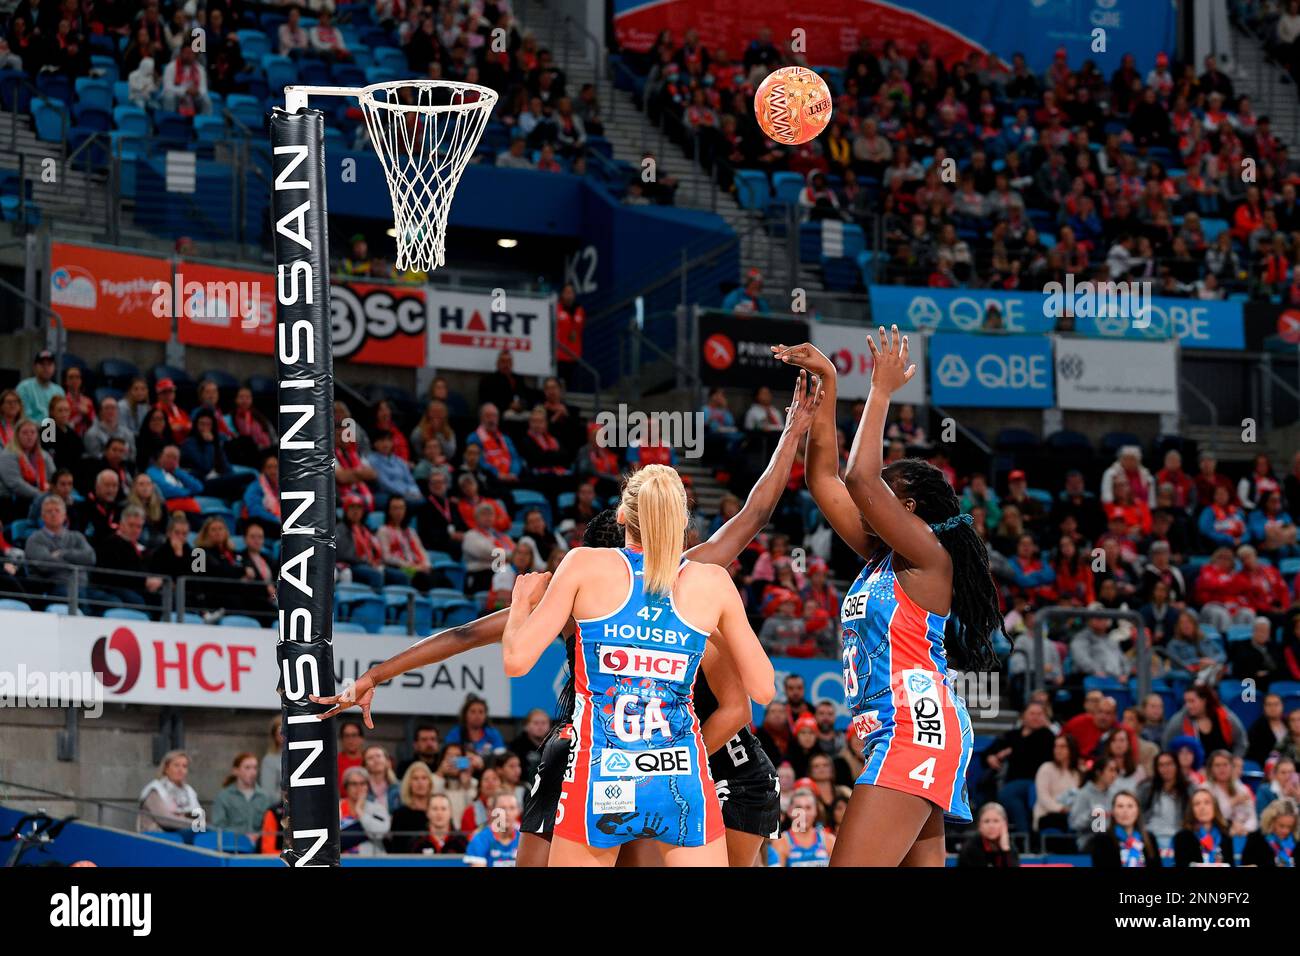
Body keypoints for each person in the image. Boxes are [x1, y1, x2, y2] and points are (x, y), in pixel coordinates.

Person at [313, 375, 820, 869]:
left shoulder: (590, 577)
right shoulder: (702, 579)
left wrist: (378, 673)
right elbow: (753, 523)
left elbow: (474, 639)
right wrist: (792, 434)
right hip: (672, 764)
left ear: (623, 522)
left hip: (637, 760)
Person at [776, 331, 999, 865]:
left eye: (885, 495)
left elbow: (858, 477)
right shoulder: (883, 556)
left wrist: (879, 391)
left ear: (910, 508)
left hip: (916, 727)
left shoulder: (928, 555)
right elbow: (823, 477)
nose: (866, 505)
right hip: (897, 729)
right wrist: (829, 382)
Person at [499, 464, 774, 866]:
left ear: (621, 515)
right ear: (681, 521)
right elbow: (764, 689)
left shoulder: (583, 565)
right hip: (680, 776)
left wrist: (520, 604)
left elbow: (515, 661)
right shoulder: (712, 582)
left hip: (600, 773)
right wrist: (708, 631)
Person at [983, 702, 1055, 833]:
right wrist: (991, 757)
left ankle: (1023, 834)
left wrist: (1011, 751)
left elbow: (1034, 756)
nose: (1036, 717)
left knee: (1008, 794)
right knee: (1009, 799)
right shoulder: (1013, 735)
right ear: (1023, 716)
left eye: (1039, 714)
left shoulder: (1047, 736)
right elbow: (989, 751)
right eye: (1032, 714)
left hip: (1035, 781)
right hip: (1008, 780)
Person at [1162, 685, 1247, 758]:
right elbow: (1166, 746)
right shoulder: (1179, 721)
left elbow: (1241, 742)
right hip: (1196, 769)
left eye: (1192, 701)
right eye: (1186, 702)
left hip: (1225, 766)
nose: (1188, 706)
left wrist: (1236, 759)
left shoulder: (1225, 716)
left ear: (1204, 701)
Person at [210, 753, 274, 841]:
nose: (252, 772)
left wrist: (258, 835)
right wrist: (242, 836)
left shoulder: (264, 797)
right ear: (235, 771)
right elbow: (218, 826)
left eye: (255, 768)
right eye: (247, 768)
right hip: (232, 845)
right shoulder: (223, 796)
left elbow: (270, 825)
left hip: (259, 845)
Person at [1090, 791, 1162, 867]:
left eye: (1130, 806)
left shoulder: (1149, 838)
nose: (1125, 811)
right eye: (1120, 806)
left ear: (1137, 811)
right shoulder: (1102, 840)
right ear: (1113, 811)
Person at [138, 750, 201, 833]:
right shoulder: (155, 789)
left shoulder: (189, 791)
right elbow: (164, 819)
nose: (181, 770)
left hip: (185, 831)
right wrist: (194, 823)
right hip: (157, 834)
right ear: (166, 769)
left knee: (210, 836)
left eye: (184, 766)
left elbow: (199, 816)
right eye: (176, 765)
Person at [1172, 787, 1236, 865]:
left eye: (1207, 802)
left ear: (1215, 807)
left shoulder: (1225, 836)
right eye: (1197, 804)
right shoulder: (1182, 838)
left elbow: (1230, 864)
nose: (1202, 807)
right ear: (1191, 810)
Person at [1033, 734, 1082, 832]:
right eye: (1056, 746)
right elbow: (1043, 797)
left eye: (1062, 746)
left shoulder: (1077, 773)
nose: (1058, 750)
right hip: (1047, 815)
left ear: (1071, 749)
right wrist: (1061, 809)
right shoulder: (1046, 768)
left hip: (1071, 815)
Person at [772, 789, 834, 866]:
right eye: (799, 807)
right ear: (789, 811)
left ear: (816, 811)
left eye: (808, 808)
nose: (803, 813)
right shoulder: (781, 843)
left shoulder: (829, 840)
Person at [1204, 749, 1258, 835]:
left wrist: (1244, 829)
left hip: (1244, 833)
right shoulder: (1205, 789)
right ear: (1211, 769)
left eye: (1225, 764)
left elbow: (1253, 817)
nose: (1222, 768)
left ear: (1232, 767)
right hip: (1217, 833)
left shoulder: (1242, 788)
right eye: (1217, 765)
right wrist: (1233, 802)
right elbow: (1211, 817)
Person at [339, 767, 390, 856]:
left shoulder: (377, 808)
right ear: (346, 786)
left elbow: (380, 833)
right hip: (341, 859)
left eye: (362, 783)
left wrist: (359, 810)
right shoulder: (335, 808)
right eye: (354, 784)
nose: (358, 788)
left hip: (370, 859)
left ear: (367, 787)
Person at [463, 792, 521, 867]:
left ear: (518, 811)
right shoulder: (480, 839)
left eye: (512, 808)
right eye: (502, 808)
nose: (507, 813)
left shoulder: (525, 839)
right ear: (492, 811)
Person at [956, 803, 1019, 867]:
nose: (991, 826)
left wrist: (1005, 850)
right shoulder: (969, 849)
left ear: (1005, 824)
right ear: (979, 825)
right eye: (986, 821)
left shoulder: (1010, 847)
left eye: (996, 821)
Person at [1241, 799, 1297, 867]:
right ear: (1271, 822)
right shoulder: (1255, 839)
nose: (1286, 831)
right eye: (1281, 826)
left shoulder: (1296, 841)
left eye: (1290, 827)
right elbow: (1246, 864)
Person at [16, 350, 64, 422]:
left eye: (49, 364)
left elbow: (62, 415)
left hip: (54, 428)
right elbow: (22, 416)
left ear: (54, 367)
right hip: (30, 428)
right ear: (34, 367)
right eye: (42, 364)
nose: (46, 367)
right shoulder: (24, 387)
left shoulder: (59, 390)